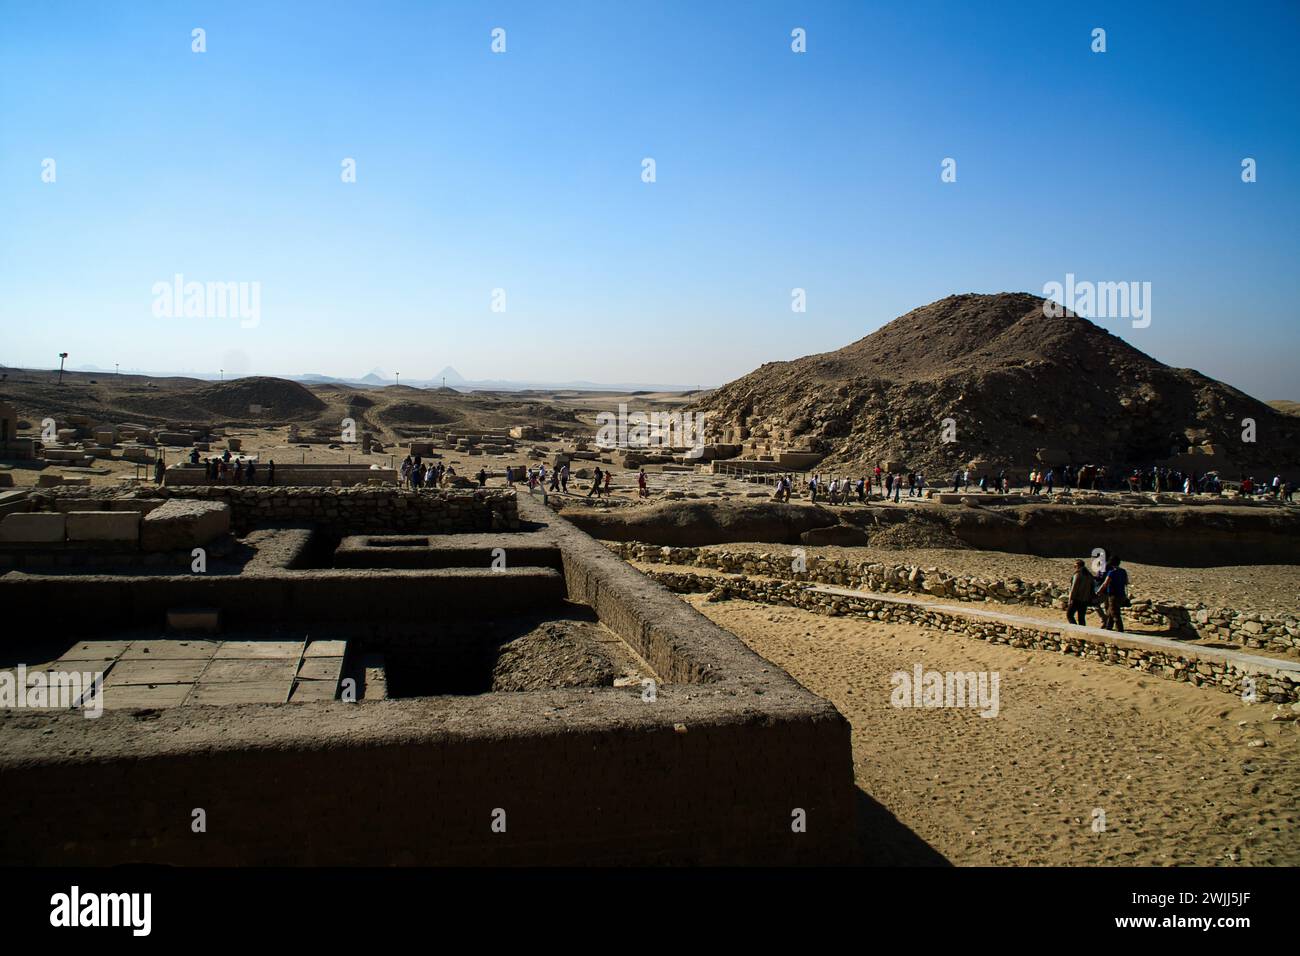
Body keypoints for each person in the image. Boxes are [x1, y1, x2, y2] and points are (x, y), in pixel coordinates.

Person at [1096, 557, 1129, 632]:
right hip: (1122, 594)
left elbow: (1105, 583)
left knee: (1115, 614)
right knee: (1110, 612)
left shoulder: (1112, 572)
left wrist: (1098, 592)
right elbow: (1126, 582)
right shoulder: (1123, 571)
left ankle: (1120, 630)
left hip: (1113, 595)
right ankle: (1108, 628)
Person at [1067, 559, 1093, 626]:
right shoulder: (1089, 575)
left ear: (1078, 566)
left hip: (1076, 598)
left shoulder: (1078, 574)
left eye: (1075, 566)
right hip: (1085, 599)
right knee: (1081, 618)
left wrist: (1070, 599)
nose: (1074, 568)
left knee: (1069, 615)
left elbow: (1074, 588)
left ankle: (1075, 629)